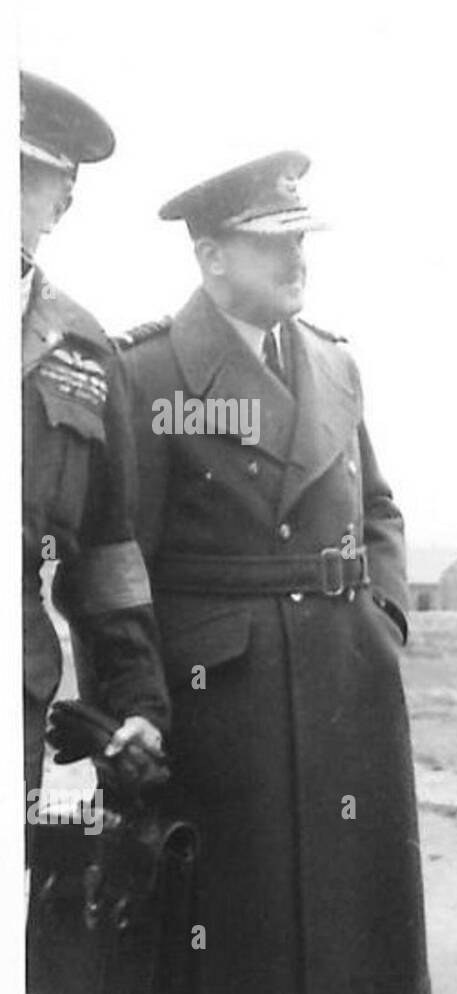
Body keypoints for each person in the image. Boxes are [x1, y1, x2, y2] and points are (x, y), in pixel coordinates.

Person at [114, 151, 429, 994]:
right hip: (219, 711)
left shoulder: (333, 361)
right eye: (271, 241)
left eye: (301, 237)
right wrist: (138, 704)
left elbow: (379, 511)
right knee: (205, 991)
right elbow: (117, 561)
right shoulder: (151, 372)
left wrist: (386, 620)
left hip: (342, 696)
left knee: (336, 982)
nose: (298, 257)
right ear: (211, 257)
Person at [20, 70, 168, 820]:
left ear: (60, 204)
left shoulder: (82, 353)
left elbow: (107, 553)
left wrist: (137, 696)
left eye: (20, 176)